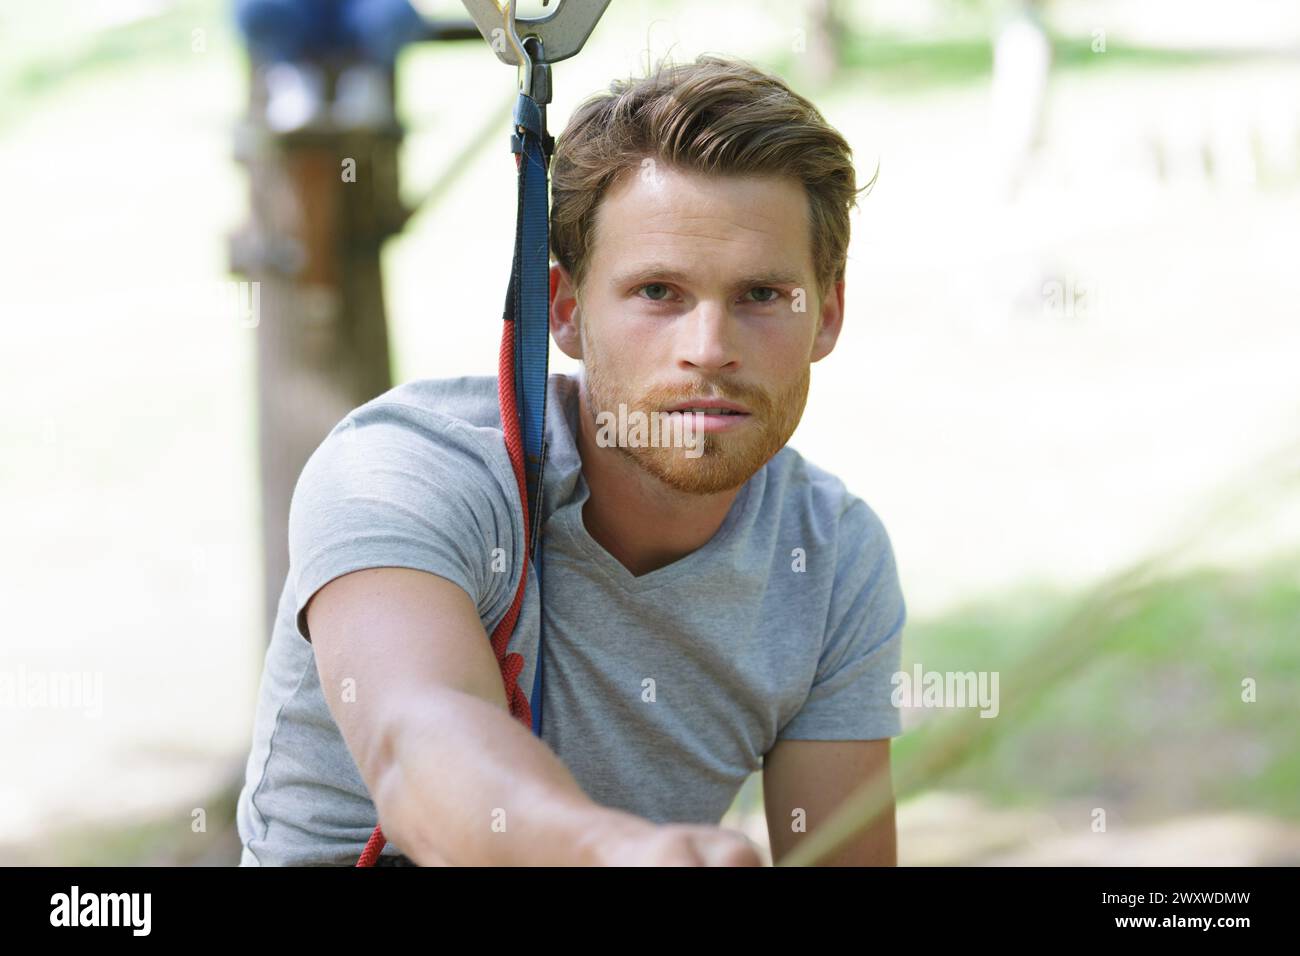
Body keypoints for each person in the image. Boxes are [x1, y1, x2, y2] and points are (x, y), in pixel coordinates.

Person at [236, 53, 907, 867]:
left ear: (826, 316)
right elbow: (420, 751)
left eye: (761, 295)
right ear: (564, 311)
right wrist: (608, 852)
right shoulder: (404, 473)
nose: (710, 350)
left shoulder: (832, 558)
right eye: (658, 292)